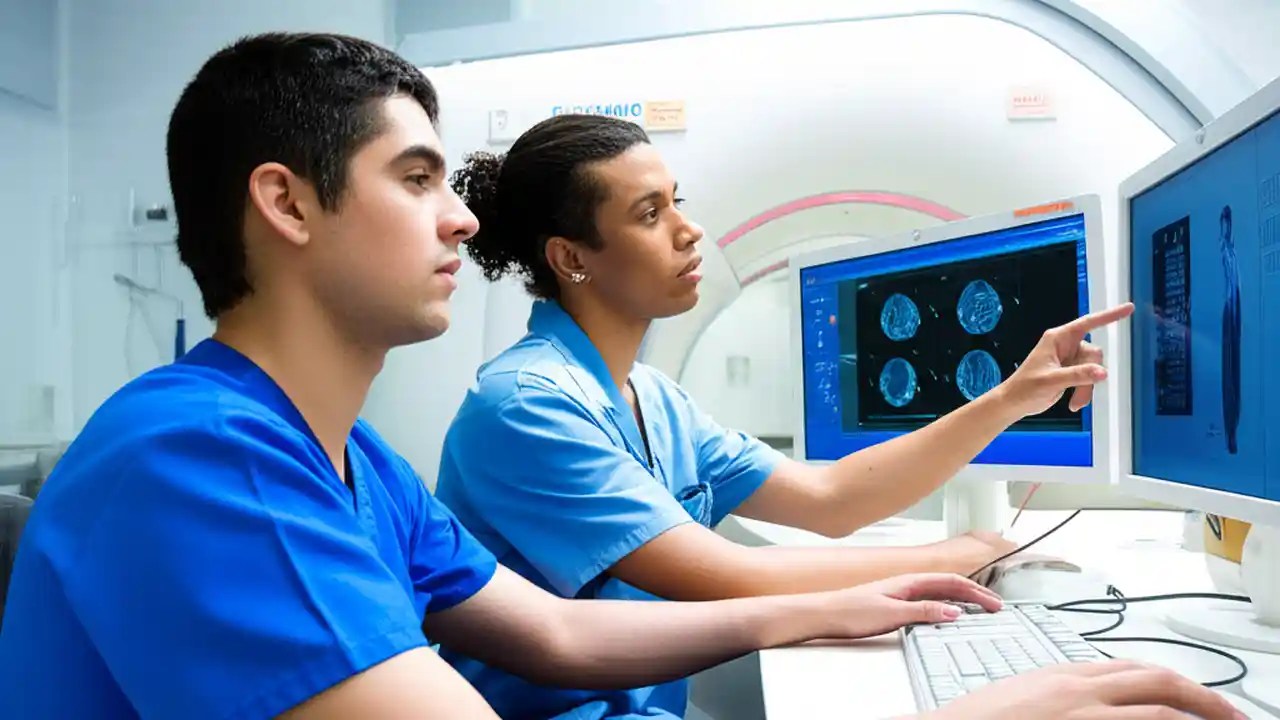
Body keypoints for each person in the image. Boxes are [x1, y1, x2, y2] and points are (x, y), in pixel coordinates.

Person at [0, 32, 1238, 720]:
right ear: (287, 204)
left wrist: (827, 604)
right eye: (417, 181)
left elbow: (548, 633)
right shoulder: (202, 460)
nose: (456, 226)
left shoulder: (351, 459)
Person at [436, 113, 1136, 717]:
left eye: (678, 202)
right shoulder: (528, 405)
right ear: (571, 259)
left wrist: (1011, 397)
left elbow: (831, 499)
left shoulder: (652, 397)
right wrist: (967, 557)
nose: (690, 231)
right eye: (650, 215)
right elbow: (730, 578)